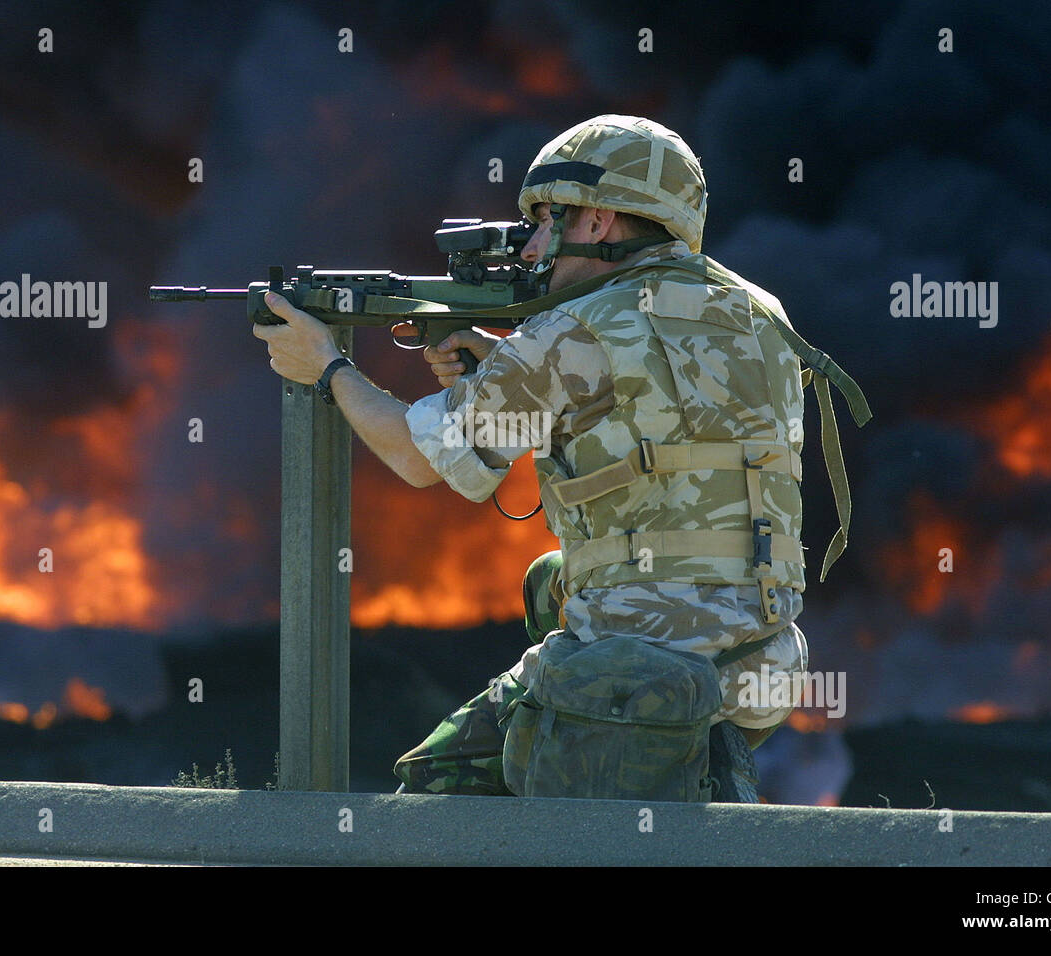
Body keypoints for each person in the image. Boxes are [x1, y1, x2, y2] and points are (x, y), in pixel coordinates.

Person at [255, 114, 866, 803]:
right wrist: (507, 369)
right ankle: (700, 756)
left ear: (600, 221)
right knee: (552, 580)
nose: (534, 246)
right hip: (765, 665)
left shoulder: (572, 329)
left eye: (547, 220)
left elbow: (418, 458)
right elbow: (670, 428)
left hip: (645, 661)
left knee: (434, 784)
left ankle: (673, 771)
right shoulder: (763, 313)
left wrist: (326, 367)